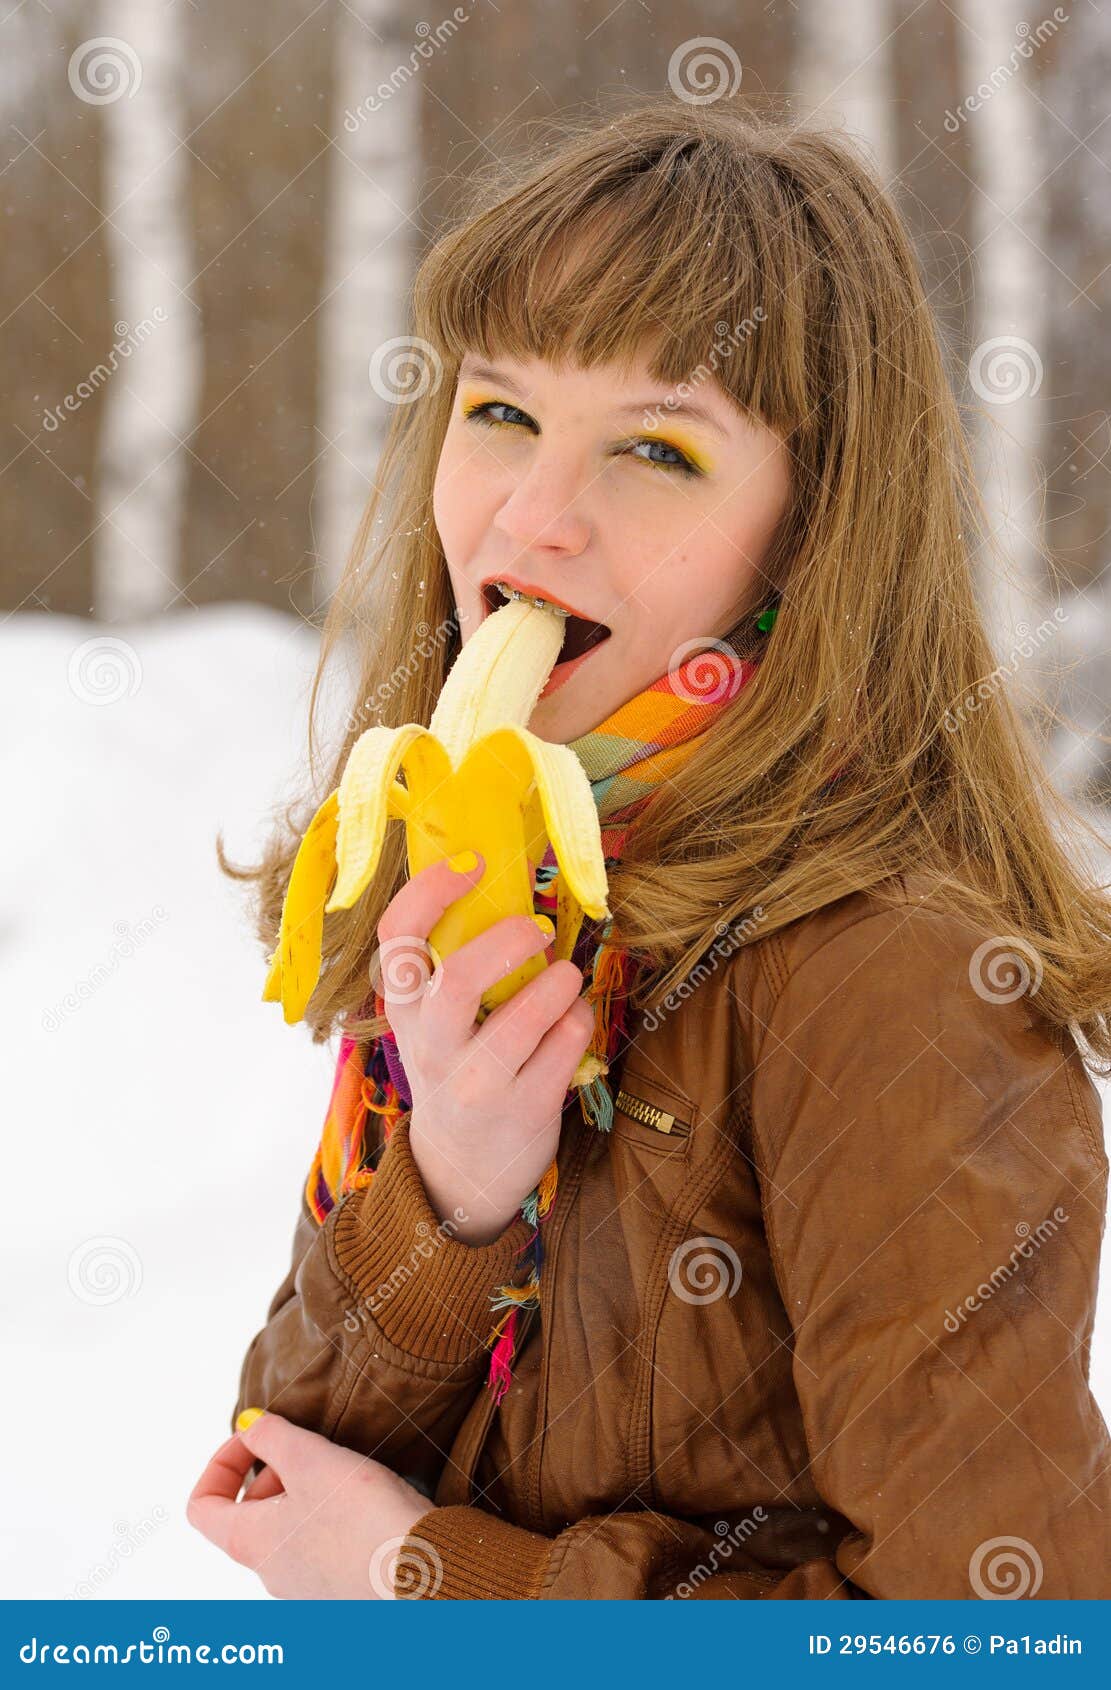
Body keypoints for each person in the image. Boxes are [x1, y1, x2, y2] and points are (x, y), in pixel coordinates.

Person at [187, 96, 1111, 1599]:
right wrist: (455, 1192)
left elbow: (999, 1634)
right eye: (500, 413)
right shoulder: (491, 862)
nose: (533, 517)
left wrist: (437, 1578)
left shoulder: (901, 975)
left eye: (658, 451)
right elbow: (285, 1471)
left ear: (815, 530)